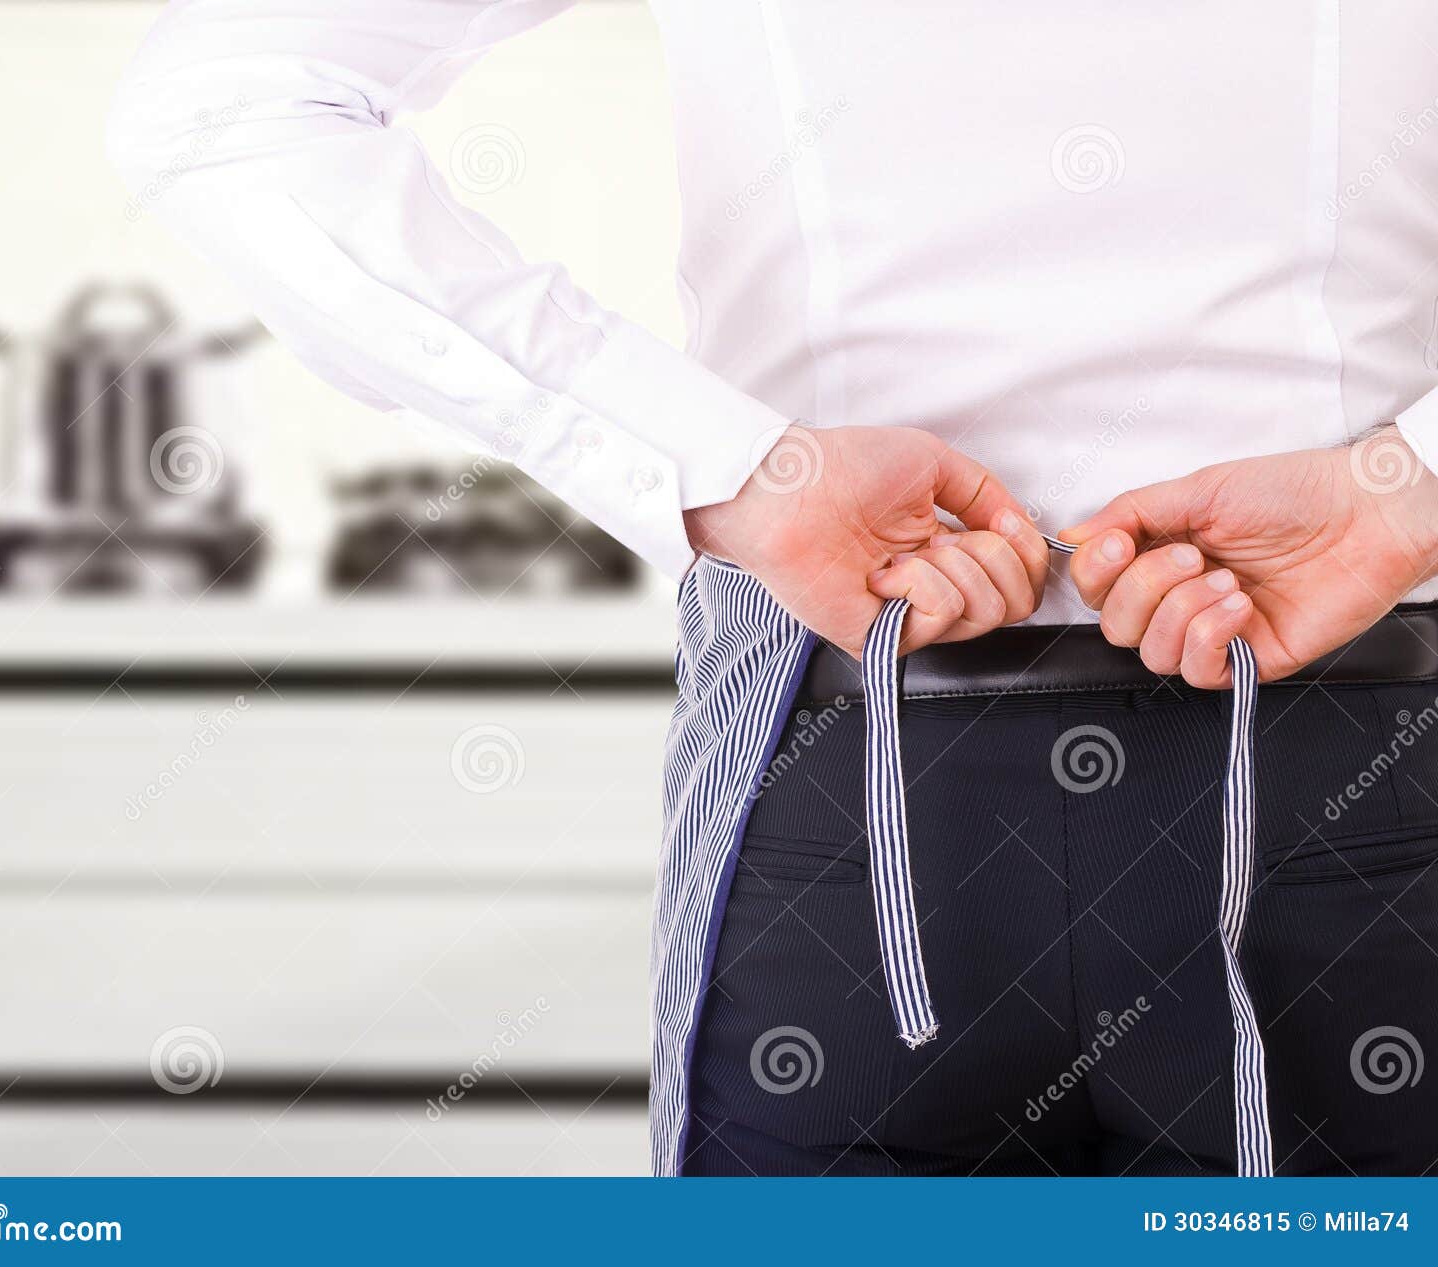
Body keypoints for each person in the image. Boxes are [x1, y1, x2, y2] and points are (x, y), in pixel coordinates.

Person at [107, 1, 1438, 1175]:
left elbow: (219, 107)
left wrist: (724, 464)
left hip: (848, 793)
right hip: (1357, 790)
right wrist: (1400, 491)